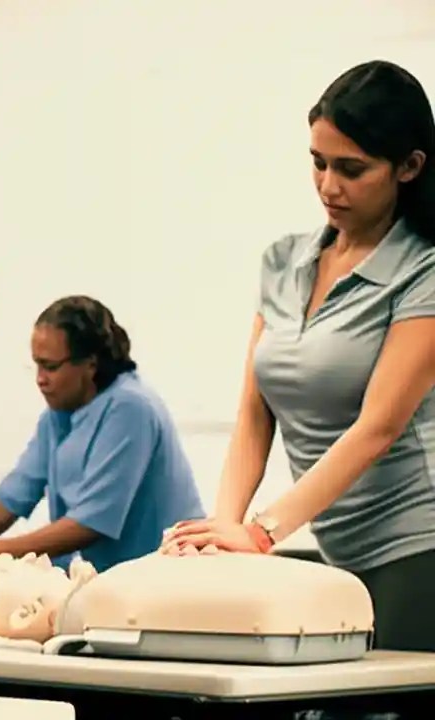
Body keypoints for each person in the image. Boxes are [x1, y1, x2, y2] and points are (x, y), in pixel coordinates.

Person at [163, 60, 435, 651]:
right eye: (318, 162)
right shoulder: (283, 262)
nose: (328, 186)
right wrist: (225, 528)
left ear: (409, 167)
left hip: (417, 542)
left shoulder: (423, 269)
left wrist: (261, 533)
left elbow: (379, 427)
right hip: (333, 545)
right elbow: (254, 417)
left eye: (352, 169)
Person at [0, 296, 203, 573]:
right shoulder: (58, 414)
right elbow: (12, 496)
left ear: (90, 364)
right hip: (106, 583)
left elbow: (91, 523)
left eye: (50, 367)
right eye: (36, 365)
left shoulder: (131, 408)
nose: (40, 379)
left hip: (166, 581)